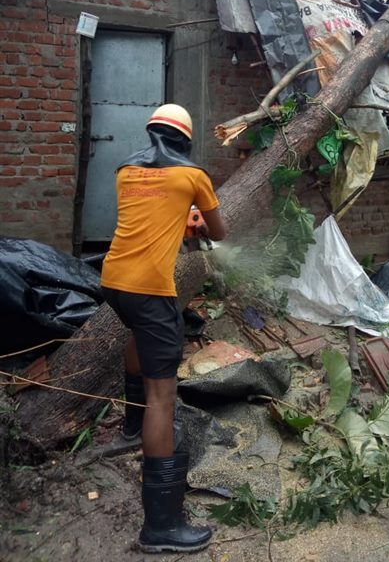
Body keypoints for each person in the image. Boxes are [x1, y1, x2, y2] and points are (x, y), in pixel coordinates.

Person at [100, 103, 226, 554]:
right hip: (151, 291)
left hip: (114, 281)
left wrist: (180, 220)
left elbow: (150, 218)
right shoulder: (193, 176)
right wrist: (196, 218)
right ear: (186, 139)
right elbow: (219, 232)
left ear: (152, 130)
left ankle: (132, 427)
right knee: (163, 397)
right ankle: (162, 525)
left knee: (137, 337)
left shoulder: (125, 170)